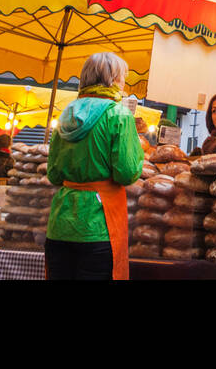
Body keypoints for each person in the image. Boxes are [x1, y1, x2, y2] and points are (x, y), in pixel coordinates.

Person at [44, 52, 144, 280]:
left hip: (60, 222)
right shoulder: (118, 115)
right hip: (99, 225)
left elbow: (53, 174)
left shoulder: (66, 114)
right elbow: (127, 172)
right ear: (113, 79)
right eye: (123, 77)